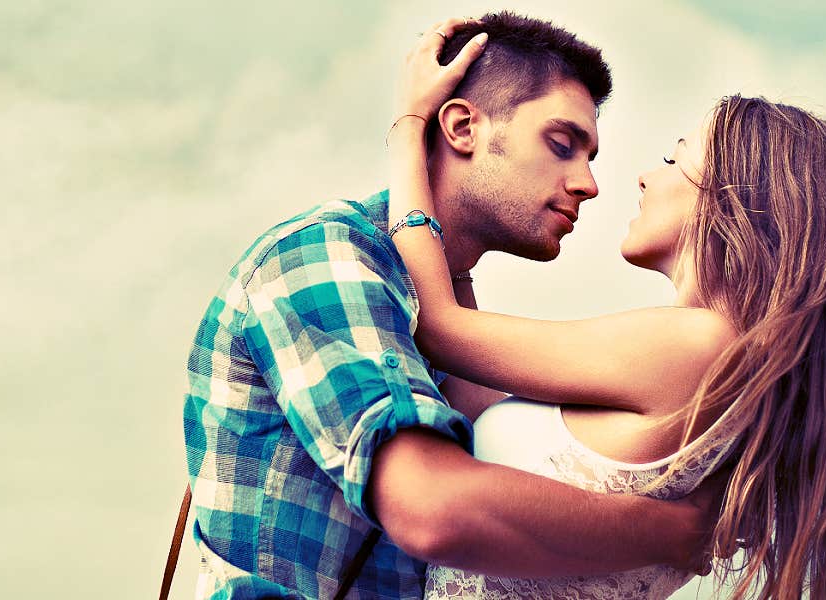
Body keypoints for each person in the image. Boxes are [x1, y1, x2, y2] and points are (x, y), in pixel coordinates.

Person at [387, 16, 826, 600]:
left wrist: (410, 128)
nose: (644, 178)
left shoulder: (694, 345)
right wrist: (462, 229)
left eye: (675, 159)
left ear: (732, 197)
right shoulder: (716, 366)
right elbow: (471, 396)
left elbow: (439, 330)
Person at [182, 13, 727, 600]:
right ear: (462, 127)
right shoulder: (326, 259)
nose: (589, 183)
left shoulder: (436, 305)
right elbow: (430, 506)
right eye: (563, 145)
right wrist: (663, 531)